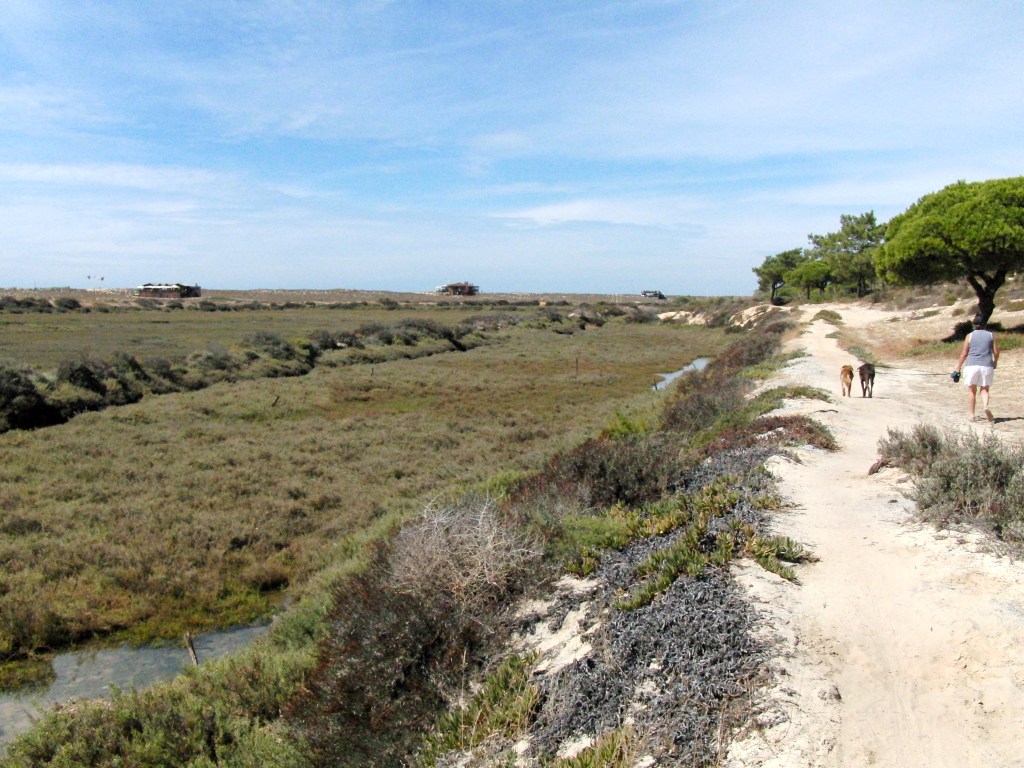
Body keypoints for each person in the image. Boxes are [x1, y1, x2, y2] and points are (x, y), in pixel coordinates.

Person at [955, 315, 1000, 422]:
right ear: (984, 325)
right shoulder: (991, 335)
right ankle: (985, 406)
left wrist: (958, 367)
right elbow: (996, 352)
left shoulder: (969, 336)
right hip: (987, 365)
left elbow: (964, 353)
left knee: (972, 391)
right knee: (984, 389)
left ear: (974, 325)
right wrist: (995, 362)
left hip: (972, 365)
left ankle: (972, 415)